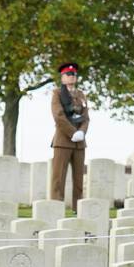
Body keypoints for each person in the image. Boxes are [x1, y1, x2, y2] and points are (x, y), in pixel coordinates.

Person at [49, 62, 89, 210]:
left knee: (78, 180)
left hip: (79, 142)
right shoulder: (57, 93)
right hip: (63, 140)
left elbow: (86, 117)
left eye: (74, 74)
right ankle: (55, 209)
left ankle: (77, 210)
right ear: (62, 77)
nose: (72, 77)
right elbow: (58, 115)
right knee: (58, 179)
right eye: (69, 74)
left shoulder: (81, 95)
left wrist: (82, 133)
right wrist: (73, 132)